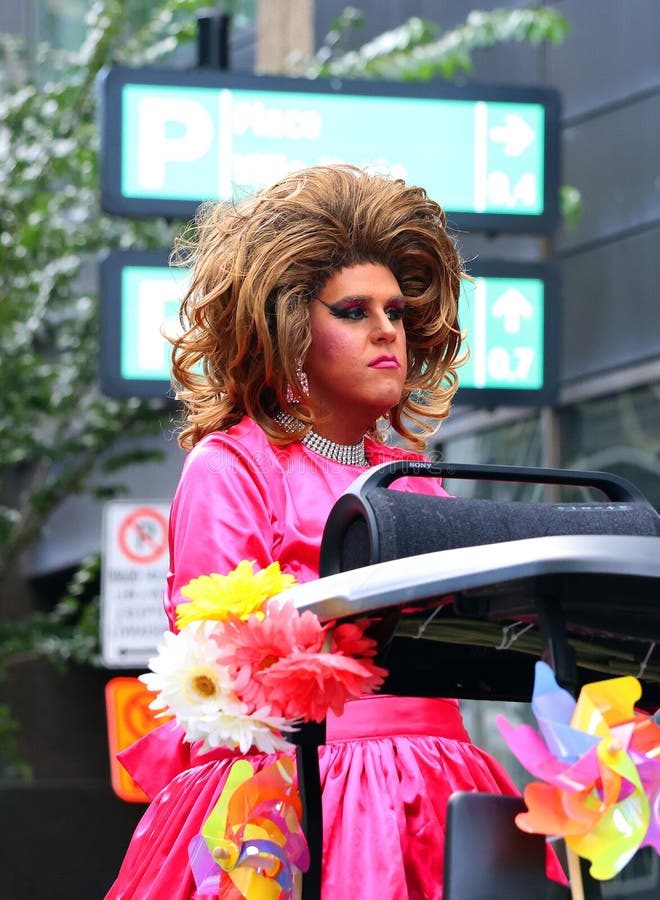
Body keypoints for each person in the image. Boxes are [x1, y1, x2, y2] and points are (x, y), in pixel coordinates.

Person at [106, 165, 560, 899]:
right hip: (292, 797)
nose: (387, 329)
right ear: (289, 329)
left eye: (396, 311)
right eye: (353, 310)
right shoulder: (232, 465)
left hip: (440, 791)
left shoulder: (411, 475)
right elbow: (222, 675)